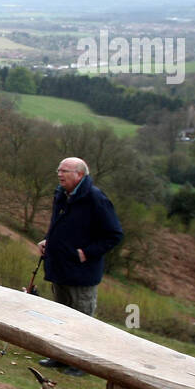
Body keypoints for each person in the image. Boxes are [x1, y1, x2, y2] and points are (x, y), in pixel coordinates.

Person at [36, 157, 123, 376]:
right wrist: (49, 240)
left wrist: (86, 253)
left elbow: (114, 234)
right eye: (58, 170)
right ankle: (60, 357)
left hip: (82, 273)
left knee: (82, 319)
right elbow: (60, 226)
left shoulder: (95, 198)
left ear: (80, 175)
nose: (59, 174)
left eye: (65, 171)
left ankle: (81, 364)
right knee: (61, 316)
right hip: (59, 268)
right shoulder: (61, 195)